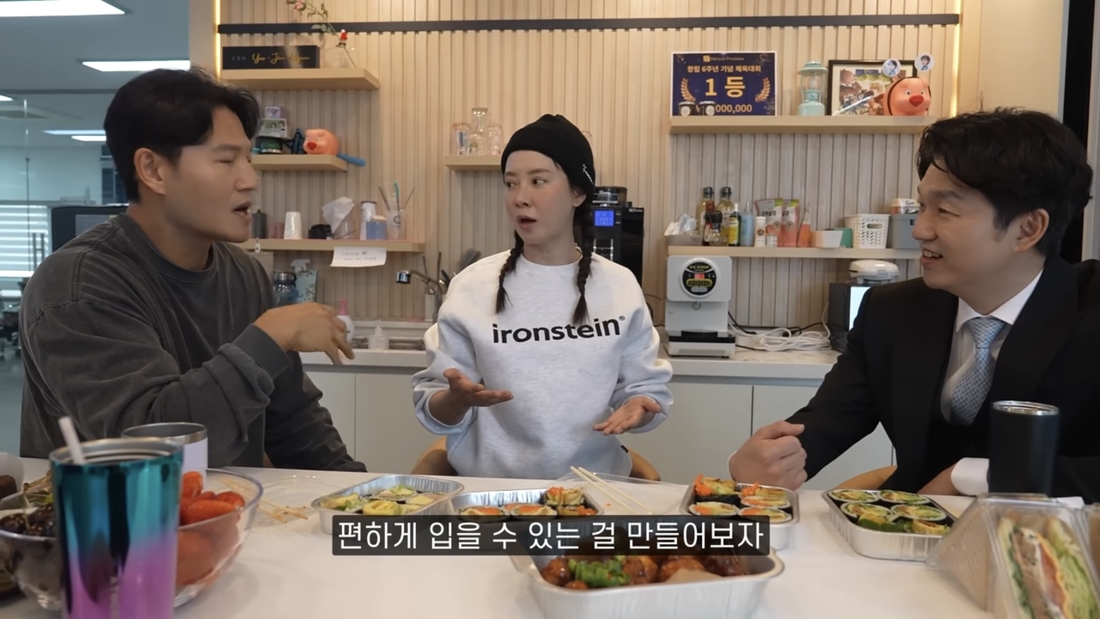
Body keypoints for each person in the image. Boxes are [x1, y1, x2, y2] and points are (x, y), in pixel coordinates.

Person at [728, 108, 1100, 500]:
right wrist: (763, 461)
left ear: (1027, 228)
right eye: (921, 207)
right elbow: (827, 422)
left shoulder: (1090, 311)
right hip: (905, 531)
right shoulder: (892, 311)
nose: (920, 230)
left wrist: (973, 476)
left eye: (945, 211)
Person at [19, 68, 365, 472]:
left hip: (227, 511)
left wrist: (364, 498)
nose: (250, 180)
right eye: (226, 160)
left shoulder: (244, 274)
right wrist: (271, 337)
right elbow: (156, 449)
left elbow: (293, 423)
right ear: (153, 170)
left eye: (248, 159)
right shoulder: (78, 284)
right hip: (106, 512)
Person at [411, 114, 673, 480]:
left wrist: (640, 404)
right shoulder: (472, 286)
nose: (520, 198)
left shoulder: (619, 285)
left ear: (577, 193)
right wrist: (456, 400)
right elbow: (434, 408)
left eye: (538, 181)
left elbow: (644, 388)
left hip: (595, 490)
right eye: (510, 183)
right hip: (491, 494)